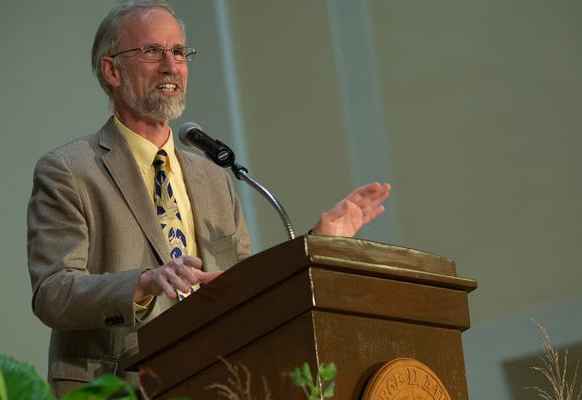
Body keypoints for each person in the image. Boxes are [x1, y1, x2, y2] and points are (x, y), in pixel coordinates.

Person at [26, 0, 390, 395]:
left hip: (213, 383)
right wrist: (144, 283)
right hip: (115, 384)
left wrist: (318, 245)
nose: (170, 65)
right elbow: (53, 293)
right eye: (152, 51)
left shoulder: (214, 179)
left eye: (179, 52)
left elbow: (248, 292)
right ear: (112, 70)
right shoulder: (69, 170)